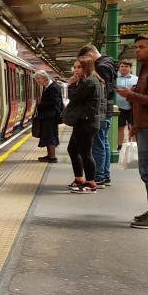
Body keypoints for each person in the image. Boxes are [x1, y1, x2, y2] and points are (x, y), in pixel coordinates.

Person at [115, 33, 148, 228]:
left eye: (142, 47)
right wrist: (136, 125)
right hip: (145, 125)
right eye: (137, 47)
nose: (137, 50)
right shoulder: (146, 68)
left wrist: (130, 95)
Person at [61, 57, 103, 193]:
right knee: (73, 150)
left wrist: (72, 84)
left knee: (85, 153)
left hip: (86, 122)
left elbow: (75, 98)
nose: (76, 70)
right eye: (75, 67)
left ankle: (90, 183)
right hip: (84, 121)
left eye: (79, 67)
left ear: (87, 68)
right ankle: (79, 179)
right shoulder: (89, 81)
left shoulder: (88, 82)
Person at [78, 43, 117, 187]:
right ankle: (104, 175)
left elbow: (101, 93)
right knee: (104, 143)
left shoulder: (100, 67)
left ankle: (99, 176)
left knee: (98, 145)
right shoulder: (109, 63)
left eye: (84, 61)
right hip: (106, 109)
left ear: (90, 55)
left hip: (100, 111)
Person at [33, 71, 62, 162]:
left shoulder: (53, 87)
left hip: (51, 117)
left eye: (38, 79)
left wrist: (40, 105)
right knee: (48, 136)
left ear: (44, 78)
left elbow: (54, 102)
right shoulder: (49, 87)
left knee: (50, 136)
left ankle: (52, 157)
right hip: (48, 116)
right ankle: (49, 155)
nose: (37, 82)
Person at [115, 59, 138, 148]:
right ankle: (120, 146)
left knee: (133, 127)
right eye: (122, 66)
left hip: (132, 107)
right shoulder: (115, 78)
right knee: (120, 127)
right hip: (119, 107)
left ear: (130, 68)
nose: (124, 68)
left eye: (126, 66)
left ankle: (133, 146)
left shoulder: (136, 79)